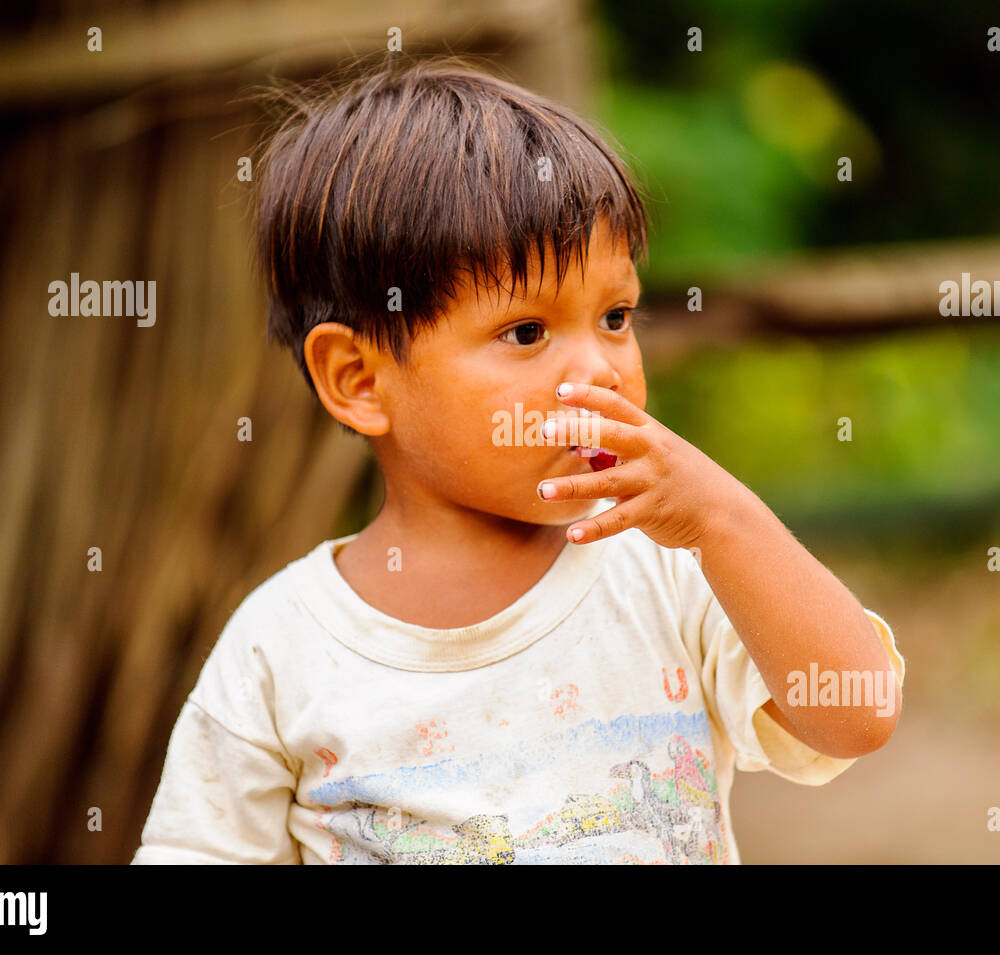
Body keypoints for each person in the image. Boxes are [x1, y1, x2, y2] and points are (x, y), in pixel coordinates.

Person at [131, 55, 905, 865]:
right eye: (528, 333)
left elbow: (858, 713)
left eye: (615, 316)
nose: (601, 369)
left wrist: (721, 516)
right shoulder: (281, 653)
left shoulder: (669, 574)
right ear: (359, 379)